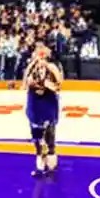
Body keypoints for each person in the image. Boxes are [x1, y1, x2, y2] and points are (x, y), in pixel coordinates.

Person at [23, 43, 63, 177]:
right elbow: (24, 85)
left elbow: (59, 85)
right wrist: (30, 81)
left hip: (48, 104)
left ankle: (51, 165)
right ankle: (40, 164)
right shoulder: (31, 67)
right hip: (35, 105)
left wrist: (48, 85)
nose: (40, 55)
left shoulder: (53, 68)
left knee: (50, 136)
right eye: (37, 52)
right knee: (37, 139)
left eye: (42, 52)